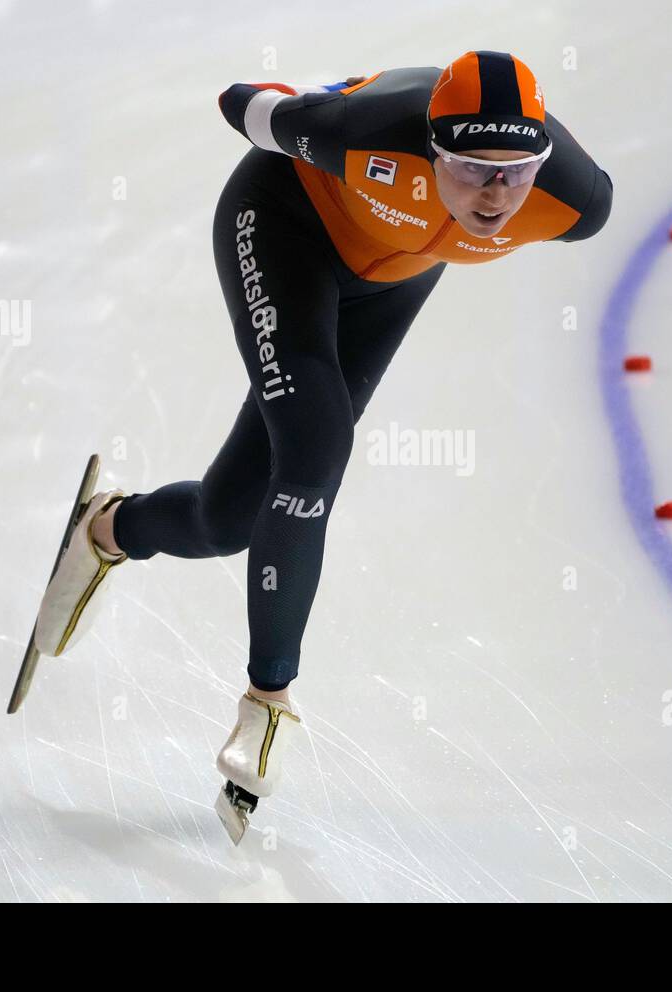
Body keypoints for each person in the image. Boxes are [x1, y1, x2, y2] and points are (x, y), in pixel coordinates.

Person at [32, 50, 613, 839]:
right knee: (314, 449)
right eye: (474, 168)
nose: (495, 194)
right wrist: (317, 107)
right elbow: (243, 102)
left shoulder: (575, 202)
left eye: (516, 172)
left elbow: (527, 185)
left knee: (228, 520)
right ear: (432, 149)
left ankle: (110, 528)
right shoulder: (363, 137)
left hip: (396, 277)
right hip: (285, 225)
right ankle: (267, 702)